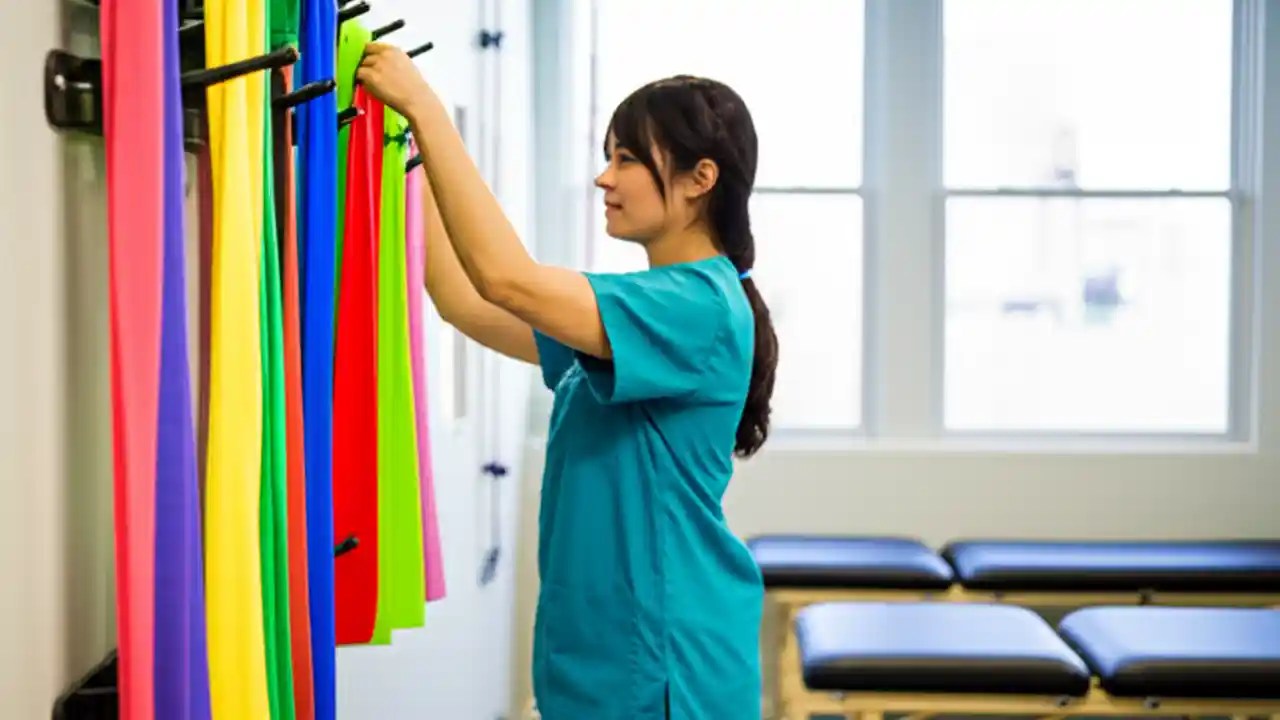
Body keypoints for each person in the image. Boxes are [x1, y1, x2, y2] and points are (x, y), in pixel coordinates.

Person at [357, 43, 779, 720]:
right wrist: (404, 148)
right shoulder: (638, 309)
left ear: (702, 177)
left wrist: (426, 109)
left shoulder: (696, 306)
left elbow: (507, 279)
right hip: (601, 655)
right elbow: (465, 300)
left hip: (666, 665)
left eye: (628, 159)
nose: (603, 179)